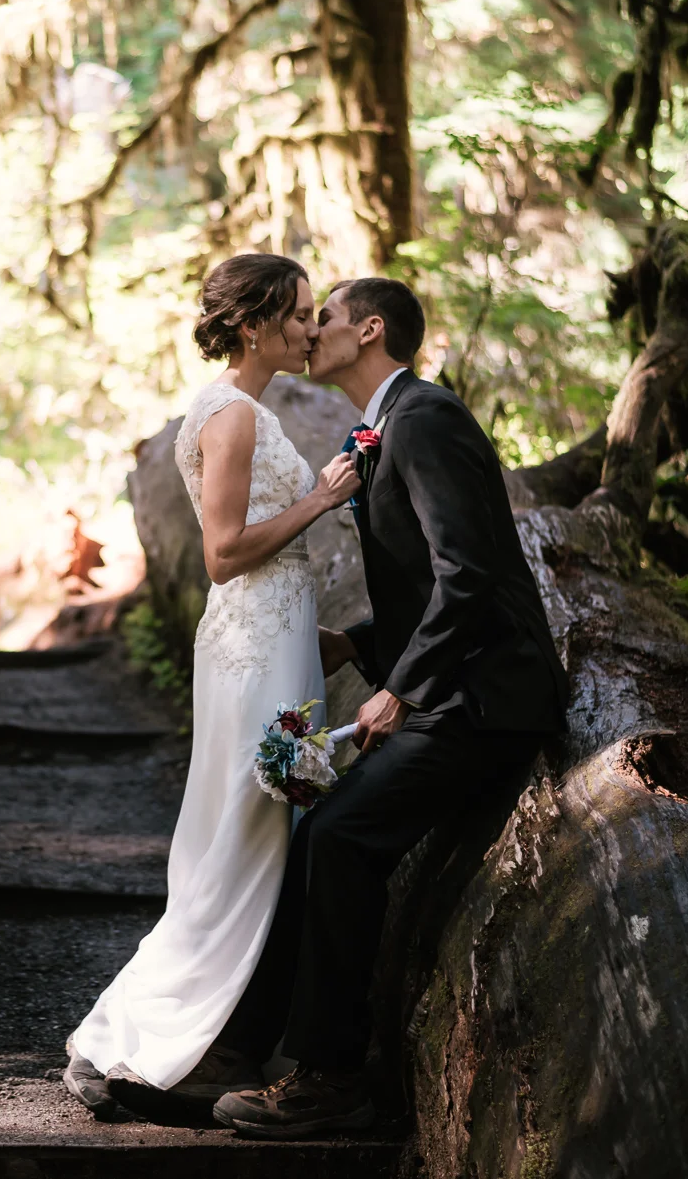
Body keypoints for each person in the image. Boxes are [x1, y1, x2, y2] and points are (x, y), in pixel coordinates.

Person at [208, 277, 570, 1139]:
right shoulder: (380, 427)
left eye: (322, 316)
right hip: (450, 687)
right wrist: (358, 645)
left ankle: (332, 1078)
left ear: (370, 329)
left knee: (339, 833)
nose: (310, 330)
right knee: (313, 826)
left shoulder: (425, 418)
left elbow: (468, 573)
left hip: (489, 699)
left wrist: (399, 689)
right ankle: (243, 1049)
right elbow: (426, 588)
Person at [63, 253, 361, 1124]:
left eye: (314, 314)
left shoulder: (247, 410)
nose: (312, 328)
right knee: (240, 845)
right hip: (253, 654)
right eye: (301, 314)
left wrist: (323, 639)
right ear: (253, 322)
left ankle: (201, 1035)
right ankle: (126, 1039)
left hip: (278, 644)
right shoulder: (230, 414)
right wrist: (325, 496)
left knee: (254, 839)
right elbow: (223, 554)